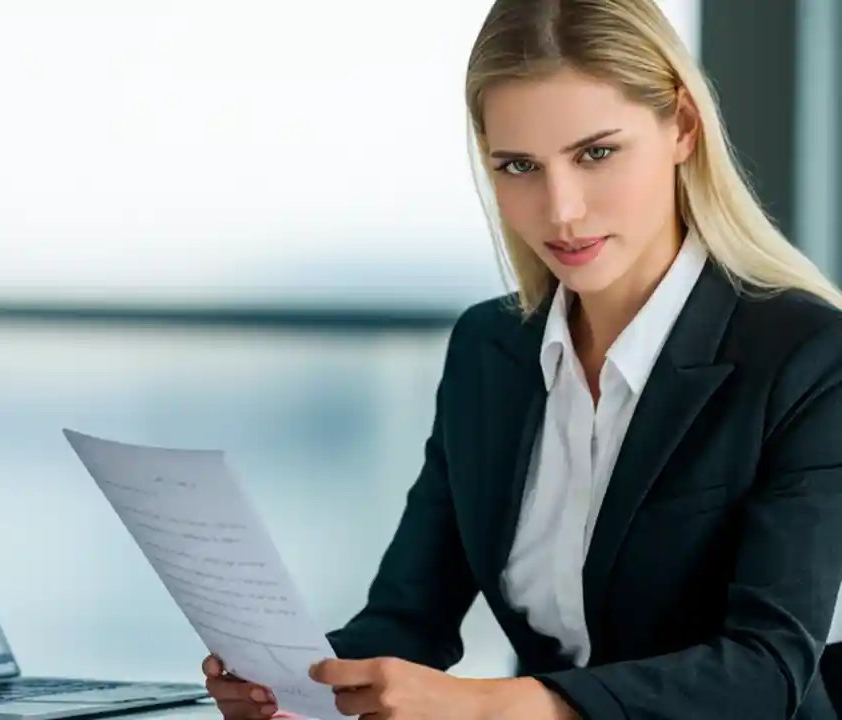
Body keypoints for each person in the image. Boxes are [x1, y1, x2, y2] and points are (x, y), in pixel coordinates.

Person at [200, 0, 842, 717]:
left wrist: (489, 706)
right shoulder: (490, 350)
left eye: (597, 153)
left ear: (683, 127)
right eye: (519, 166)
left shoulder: (804, 355)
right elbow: (410, 619)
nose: (560, 209)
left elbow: (766, 667)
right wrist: (293, 681)